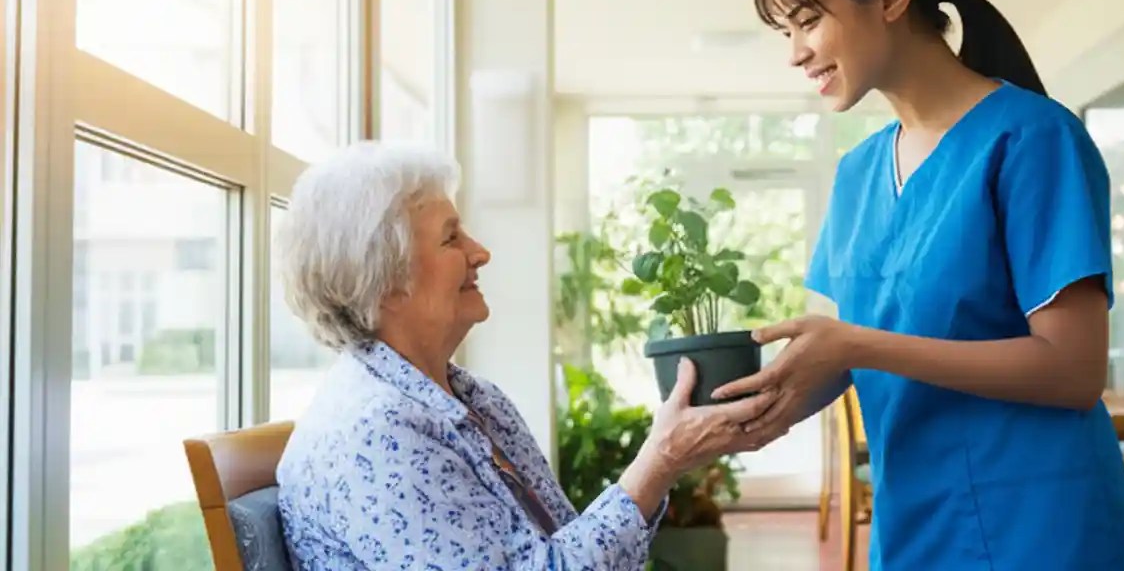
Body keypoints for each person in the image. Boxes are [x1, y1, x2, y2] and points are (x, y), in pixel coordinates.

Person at [712, 0, 1124, 570]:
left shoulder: (1033, 138)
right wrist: (764, 406)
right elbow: (858, 347)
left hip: (1044, 529)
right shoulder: (859, 173)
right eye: (784, 33)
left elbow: (1073, 369)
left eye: (807, 20)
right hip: (915, 526)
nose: (797, 53)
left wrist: (854, 344)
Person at [274, 141, 777, 570]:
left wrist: (667, 460)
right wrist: (661, 460)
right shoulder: (377, 433)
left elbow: (559, 550)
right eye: (451, 237)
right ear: (385, 281)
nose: (480, 251)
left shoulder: (470, 399)